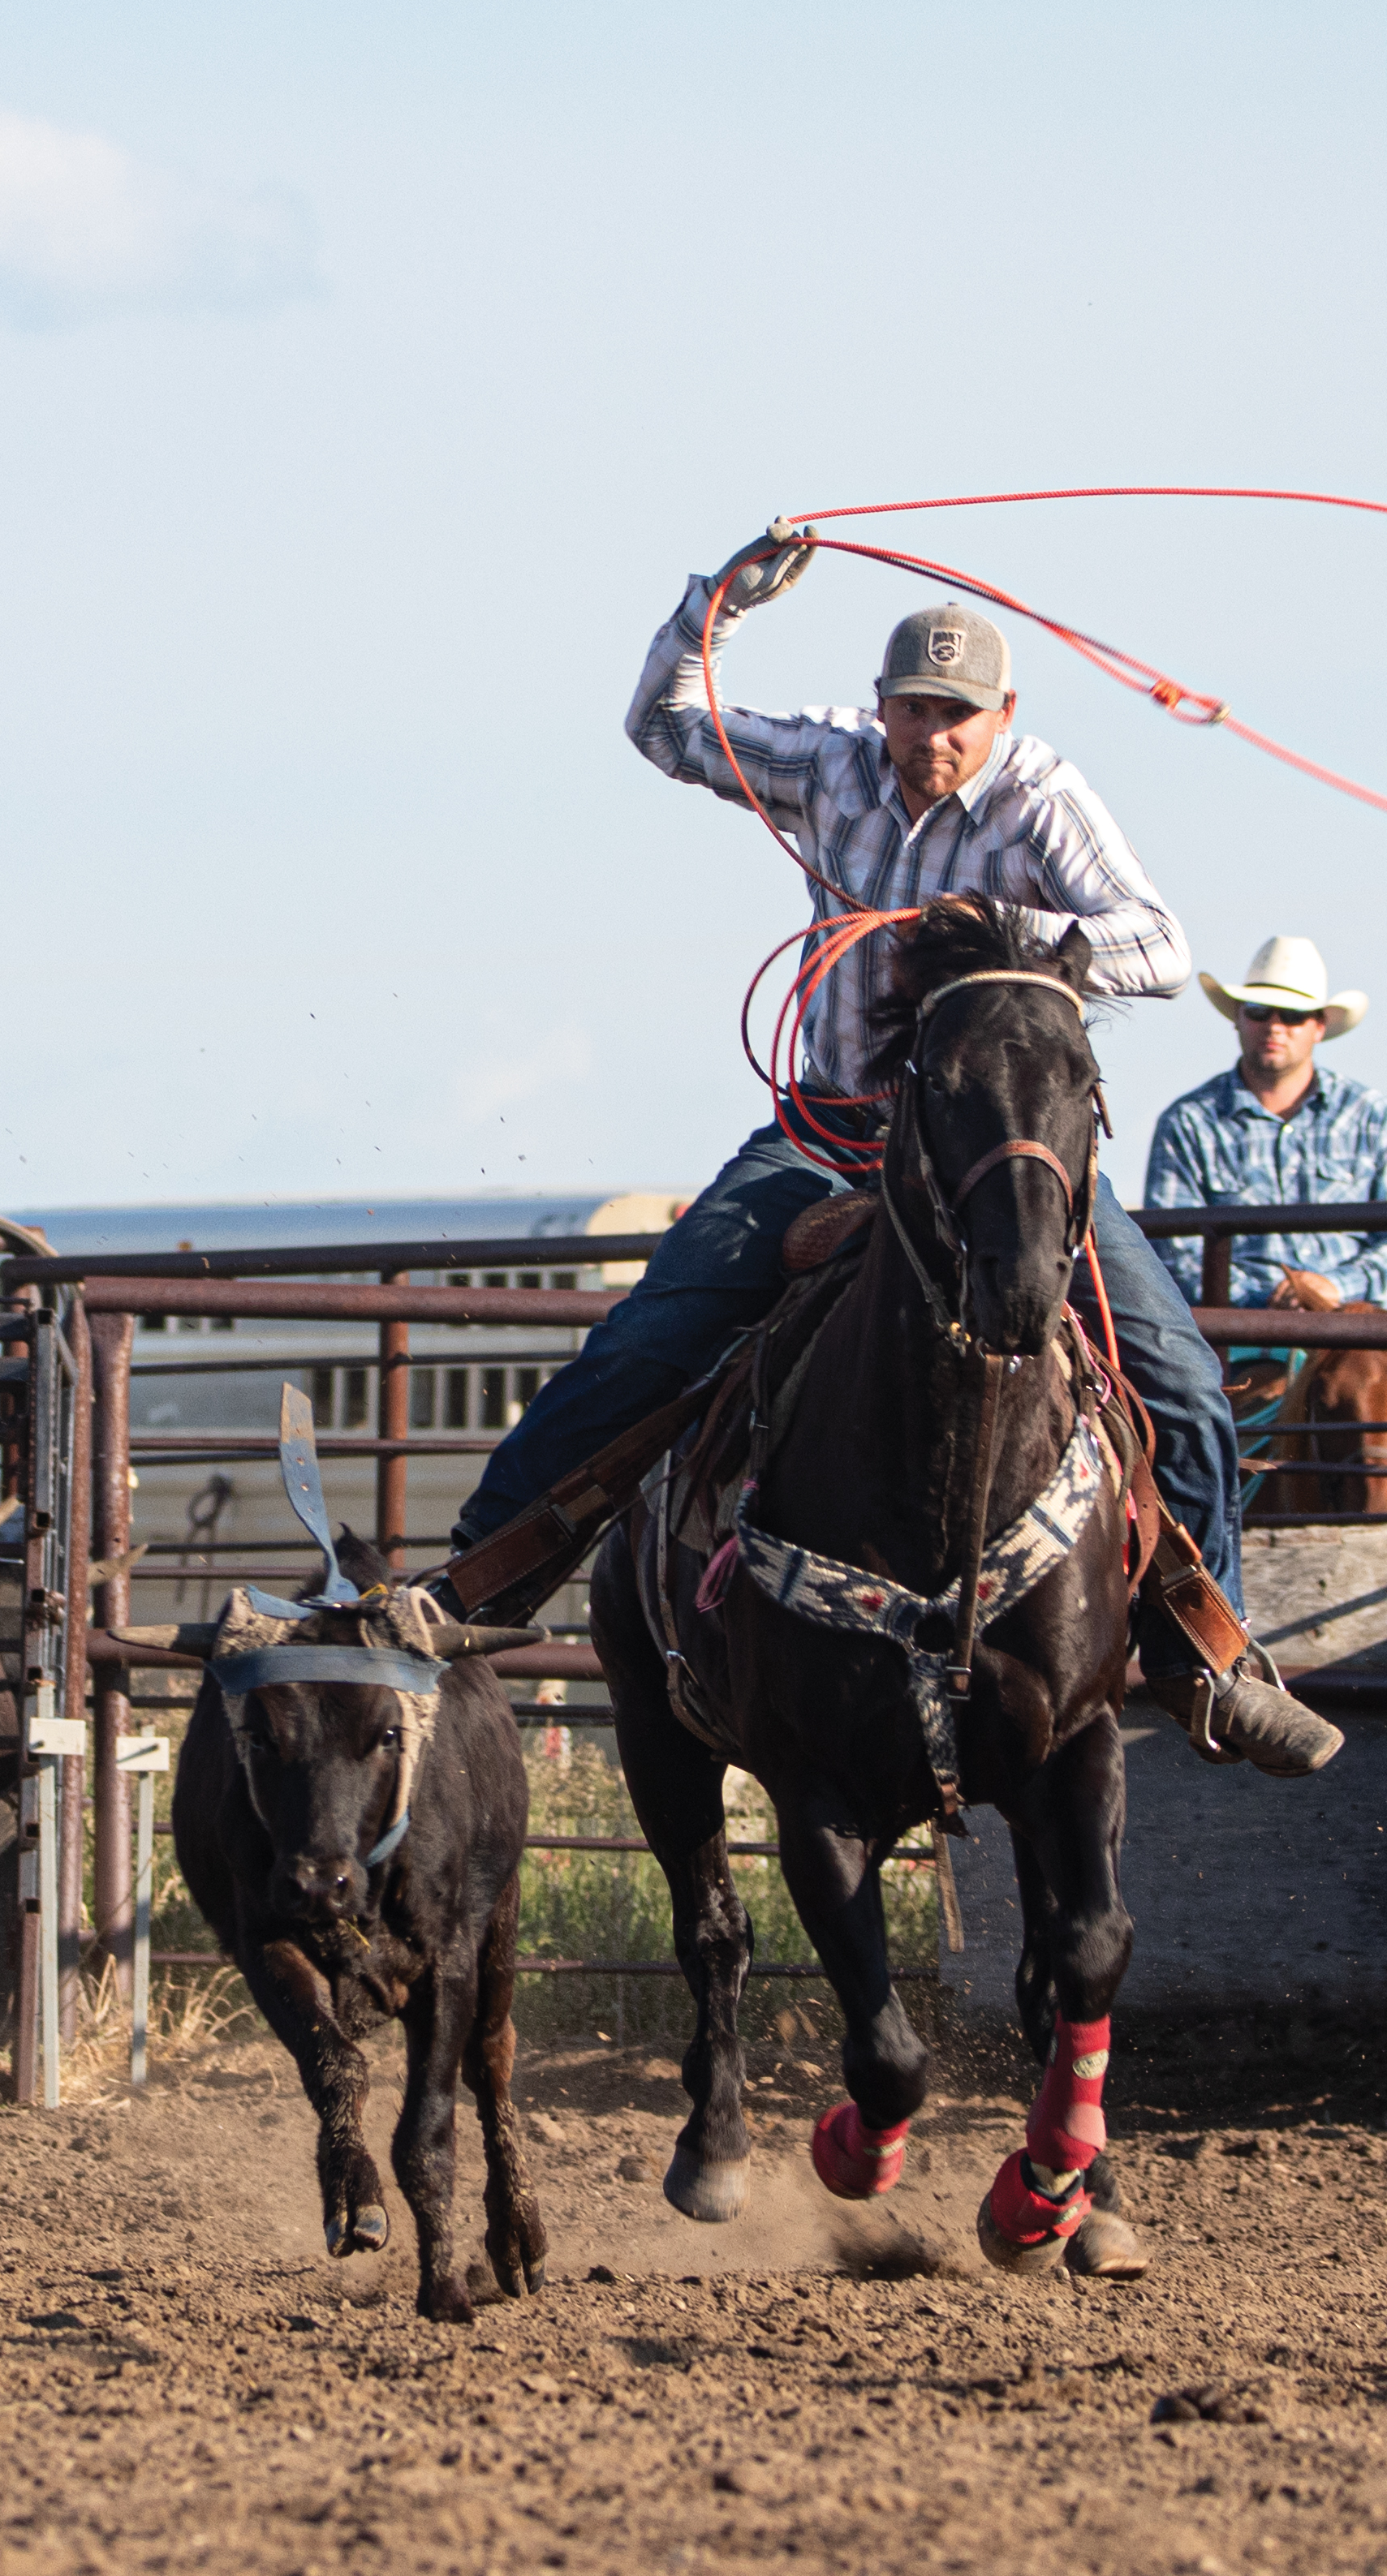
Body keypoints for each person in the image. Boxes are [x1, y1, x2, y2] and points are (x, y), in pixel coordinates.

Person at [446, 540, 1340, 1777]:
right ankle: (475, 1585)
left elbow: (1156, 944)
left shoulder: (1041, 797)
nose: (934, 735)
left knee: (1179, 1376)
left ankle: (1208, 1652)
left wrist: (1001, 931)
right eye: (915, 709)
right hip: (829, 1133)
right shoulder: (827, 762)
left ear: (1000, 718)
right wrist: (719, 605)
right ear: (882, 707)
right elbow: (662, 727)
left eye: (958, 715)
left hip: (998, 1154)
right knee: (646, 1339)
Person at [1143, 934, 1387, 1507]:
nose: (1275, 1025)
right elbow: (1173, 1256)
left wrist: (1335, 1294)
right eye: (1260, 1011)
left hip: (1367, 1345)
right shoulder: (1189, 1123)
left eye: (1294, 1013)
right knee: (1187, 1495)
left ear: (1320, 1026)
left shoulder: (1371, 1115)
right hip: (1246, 1353)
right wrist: (1272, 1297)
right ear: (1239, 1018)